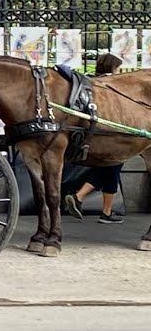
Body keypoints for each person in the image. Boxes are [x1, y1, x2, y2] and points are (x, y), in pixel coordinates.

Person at [63, 53, 126, 223]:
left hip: (91, 134)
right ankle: (104, 212)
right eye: (118, 68)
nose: (119, 71)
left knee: (104, 170)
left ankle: (80, 197)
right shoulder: (110, 85)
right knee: (113, 168)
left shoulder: (91, 82)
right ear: (112, 68)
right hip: (111, 133)